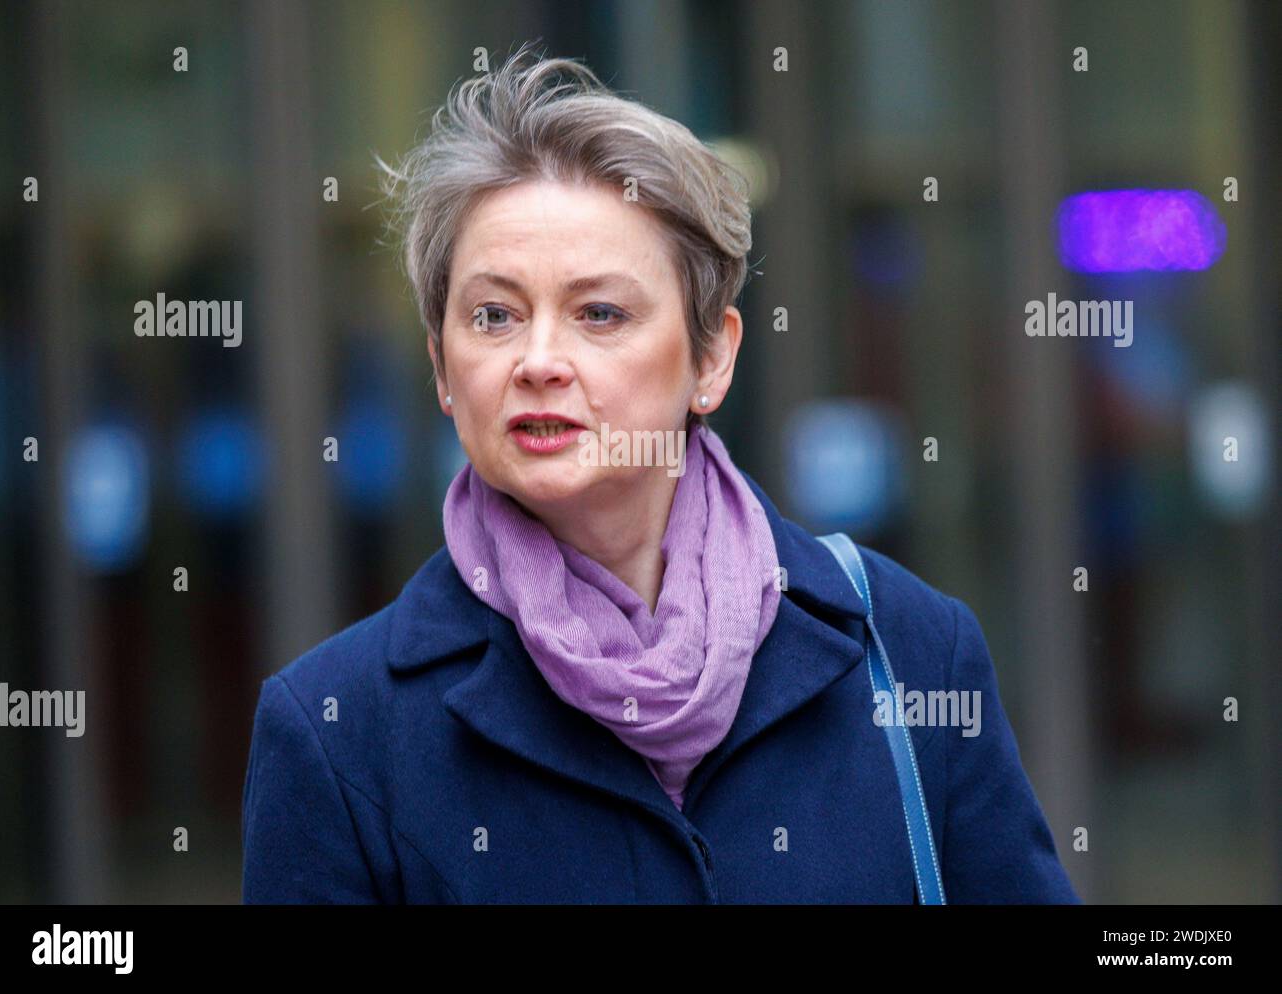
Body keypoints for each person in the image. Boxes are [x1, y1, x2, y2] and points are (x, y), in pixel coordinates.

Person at [241, 45, 1080, 904]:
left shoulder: (907, 647)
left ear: (712, 358)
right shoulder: (337, 729)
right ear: (444, 370)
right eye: (494, 315)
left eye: (598, 313)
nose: (538, 361)